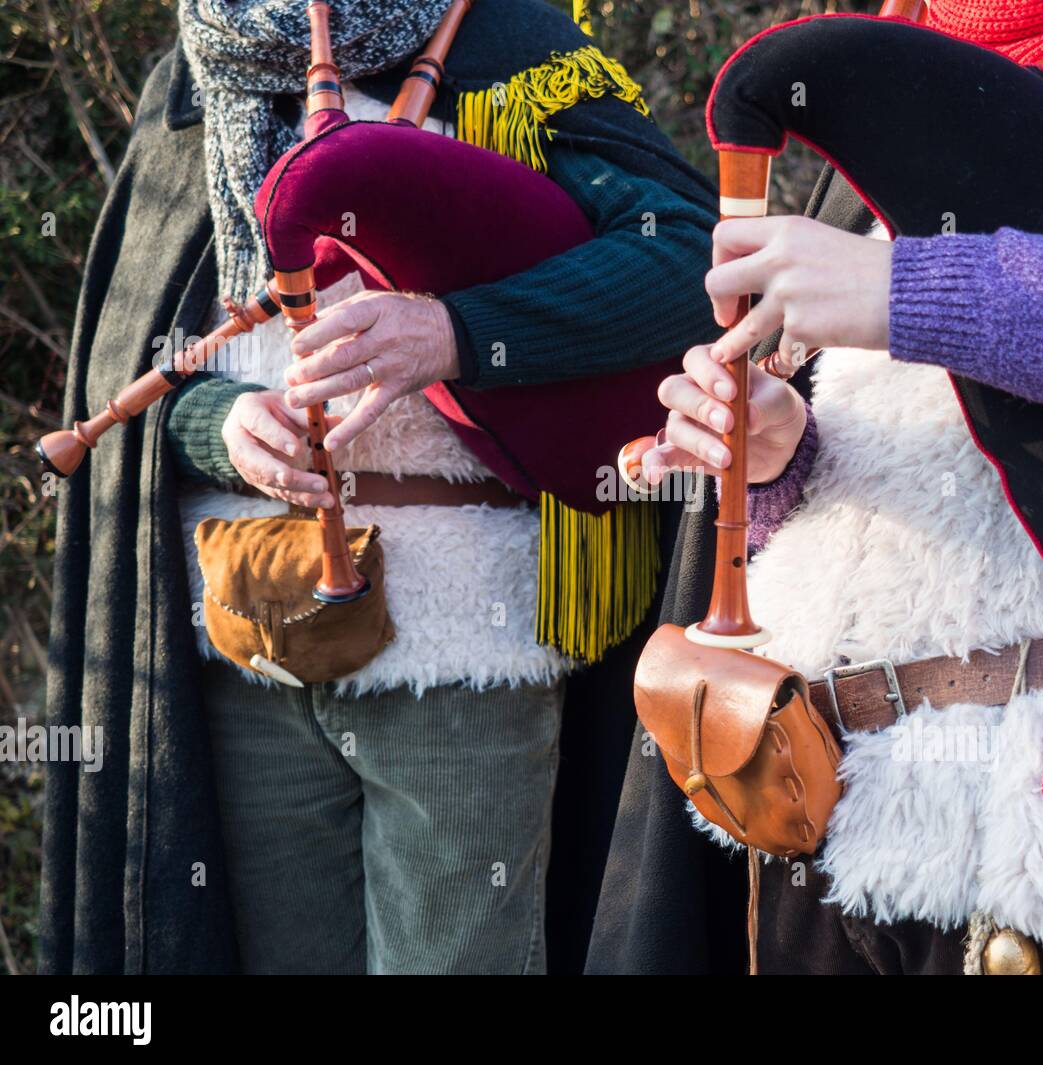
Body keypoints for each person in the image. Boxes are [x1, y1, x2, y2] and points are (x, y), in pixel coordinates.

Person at [588, 0, 1043, 975]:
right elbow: (892, 461)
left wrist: (901, 292)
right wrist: (777, 454)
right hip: (811, 810)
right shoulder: (881, 87)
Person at [41, 0, 716, 974]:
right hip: (240, 633)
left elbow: (687, 257)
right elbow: (132, 365)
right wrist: (219, 427)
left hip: (466, 643)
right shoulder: (195, 78)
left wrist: (461, 331)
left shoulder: (516, 52)